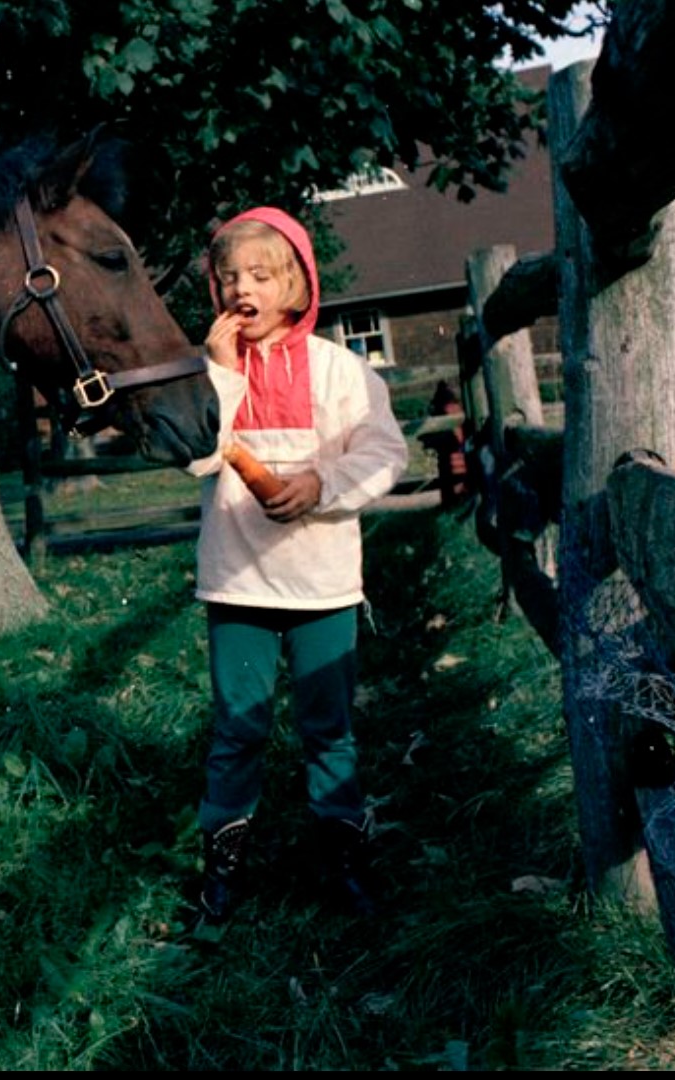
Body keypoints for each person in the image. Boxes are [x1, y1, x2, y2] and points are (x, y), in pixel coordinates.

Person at [183, 207, 408, 928]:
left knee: (328, 725)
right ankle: (222, 864)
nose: (241, 288)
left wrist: (319, 486)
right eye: (229, 277)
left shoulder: (342, 371)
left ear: (296, 284)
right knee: (238, 726)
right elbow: (196, 453)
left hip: (321, 582)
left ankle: (339, 854)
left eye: (259, 274)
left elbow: (382, 454)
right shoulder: (213, 371)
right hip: (238, 579)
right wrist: (218, 378)